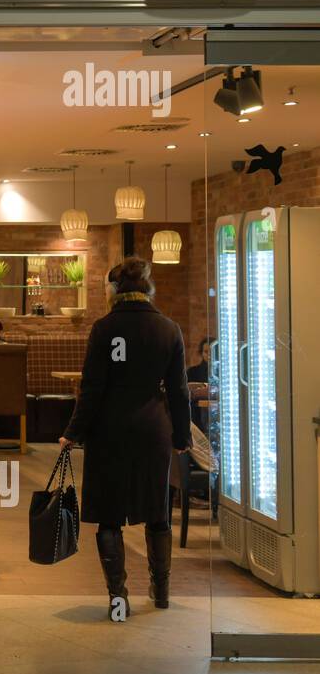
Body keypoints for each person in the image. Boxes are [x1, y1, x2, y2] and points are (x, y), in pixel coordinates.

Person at [60, 257, 190, 620]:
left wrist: (72, 432)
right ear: (148, 289)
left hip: (110, 430)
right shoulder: (169, 329)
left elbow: (92, 389)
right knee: (157, 511)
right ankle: (161, 592)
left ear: (115, 290)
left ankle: (118, 599)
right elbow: (179, 391)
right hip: (153, 430)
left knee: (110, 516)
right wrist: (182, 435)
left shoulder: (105, 328)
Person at [186, 337, 210, 435]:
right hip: (197, 418)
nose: (209, 355)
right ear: (201, 353)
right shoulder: (192, 372)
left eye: (212, 351)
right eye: (206, 352)